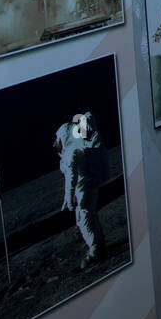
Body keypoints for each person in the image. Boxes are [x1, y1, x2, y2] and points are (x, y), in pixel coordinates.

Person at [55, 112, 108, 269]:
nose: (56, 144)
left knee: (84, 217)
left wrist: (69, 200)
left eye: (57, 141)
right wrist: (68, 199)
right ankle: (98, 244)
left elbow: (71, 178)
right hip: (86, 186)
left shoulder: (72, 153)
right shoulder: (77, 148)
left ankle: (96, 250)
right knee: (86, 215)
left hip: (85, 188)